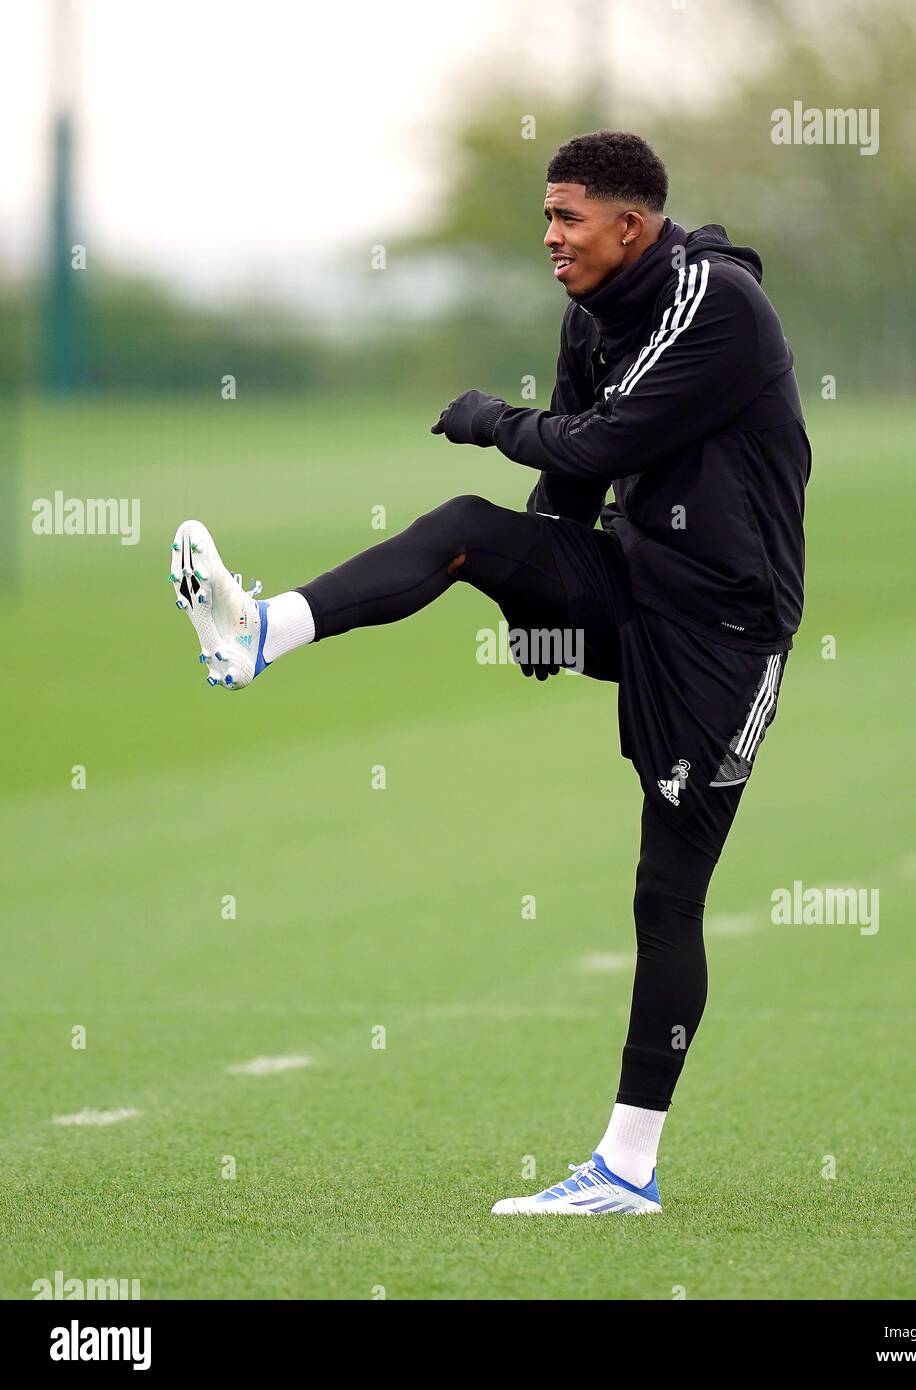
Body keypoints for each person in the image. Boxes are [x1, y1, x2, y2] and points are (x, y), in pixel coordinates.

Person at [169, 130, 811, 1215]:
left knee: (666, 894)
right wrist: (534, 597)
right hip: (632, 584)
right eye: (546, 218)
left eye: (567, 220)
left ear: (630, 225)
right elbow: (563, 500)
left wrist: (488, 421)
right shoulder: (590, 312)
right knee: (468, 530)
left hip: (721, 631)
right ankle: (258, 631)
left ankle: (625, 1170)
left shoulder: (714, 306)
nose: (549, 238)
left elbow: (594, 445)